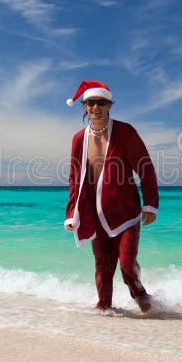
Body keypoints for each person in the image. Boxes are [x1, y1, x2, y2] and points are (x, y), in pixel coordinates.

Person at [64, 80, 158, 314]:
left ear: (110, 105)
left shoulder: (125, 132)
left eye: (101, 102)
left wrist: (150, 204)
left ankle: (143, 299)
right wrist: (71, 213)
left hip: (125, 212)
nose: (96, 107)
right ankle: (103, 309)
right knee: (103, 265)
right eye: (91, 103)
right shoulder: (79, 139)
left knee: (126, 262)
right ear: (85, 106)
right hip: (94, 214)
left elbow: (145, 168)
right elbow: (75, 177)